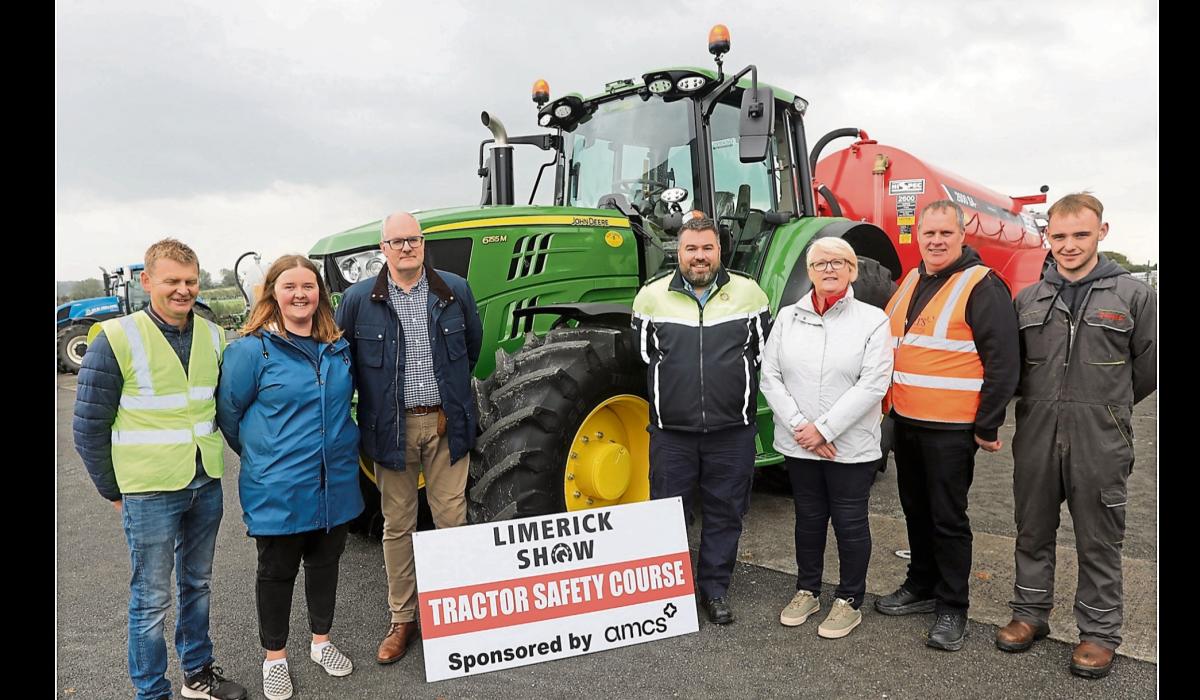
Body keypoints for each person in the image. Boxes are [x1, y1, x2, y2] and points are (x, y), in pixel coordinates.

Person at [73, 239, 248, 700]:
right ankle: (151, 693)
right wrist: (115, 490)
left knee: (199, 584)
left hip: (204, 481)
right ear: (148, 281)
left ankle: (197, 675)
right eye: (172, 281)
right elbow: (89, 426)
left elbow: (222, 406)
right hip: (148, 490)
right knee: (150, 601)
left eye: (190, 281)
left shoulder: (212, 334)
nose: (183, 290)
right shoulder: (115, 338)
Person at [995, 193, 1156, 679]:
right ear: (1048, 236)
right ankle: (1030, 614)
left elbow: (1147, 369)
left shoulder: (1133, 295)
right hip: (1038, 430)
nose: (1068, 246)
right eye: (1059, 236)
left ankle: (1099, 632)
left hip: (1100, 436)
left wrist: (1105, 406)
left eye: (1080, 235)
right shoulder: (1028, 299)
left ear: (1101, 233)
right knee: (1032, 527)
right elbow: (1016, 369)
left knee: (1099, 536)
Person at [335, 211, 482, 664]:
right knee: (397, 525)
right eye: (396, 241)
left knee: (451, 520)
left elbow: (470, 351)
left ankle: (452, 613)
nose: (405, 248)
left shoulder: (453, 290)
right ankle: (403, 619)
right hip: (390, 429)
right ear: (383, 249)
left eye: (413, 240)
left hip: (444, 424)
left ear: (423, 244)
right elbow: (348, 365)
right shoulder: (360, 300)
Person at [216, 255, 364, 699]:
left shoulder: (336, 346)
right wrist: (264, 457)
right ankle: (274, 658)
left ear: (320, 293)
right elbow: (230, 414)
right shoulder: (251, 350)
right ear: (272, 294)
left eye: (308, 286)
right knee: (277, 572)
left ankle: (322, 642)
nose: (300, 294)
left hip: (335, 482)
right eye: (289, 286)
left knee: (325, 565)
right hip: (278, 487)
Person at [875, 200, 1020, 651]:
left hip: (951, 429)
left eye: (945, 234)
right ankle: (921, 585)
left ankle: (953, 607)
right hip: (907, 421)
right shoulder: (912, 279)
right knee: (916, 510)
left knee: (947, 519)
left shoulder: (982, 284)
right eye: (929, 234)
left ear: (962, 236)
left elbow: (1004, 361)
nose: (936, 241)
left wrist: (987, 425)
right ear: (918, 236)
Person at [631, 214, 772, 625]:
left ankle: (715, 590)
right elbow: (645, 355)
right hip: (672, 433)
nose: (699, 257)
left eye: (707, 248)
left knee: (725, 512)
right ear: (678, 252)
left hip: (732, 432)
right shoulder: (651, 297)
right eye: (691, 249)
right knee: (667, 511)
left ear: (719, 251)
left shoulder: (749, 294)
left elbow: (761, 352)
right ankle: (668, 593)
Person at [760, 238, 893, 639]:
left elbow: (873, 385)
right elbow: (771, 376)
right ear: (810, 271)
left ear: (853, 270)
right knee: (809, 520)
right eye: (820, 263)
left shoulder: (872, 320)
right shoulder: (787, 317)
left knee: (850, 523)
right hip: (800, 442)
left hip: (850, 447)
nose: (829, 269)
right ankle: (808, 590)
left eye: (839, 262)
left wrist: (824, 429)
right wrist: (804, 427)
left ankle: (850, 599)